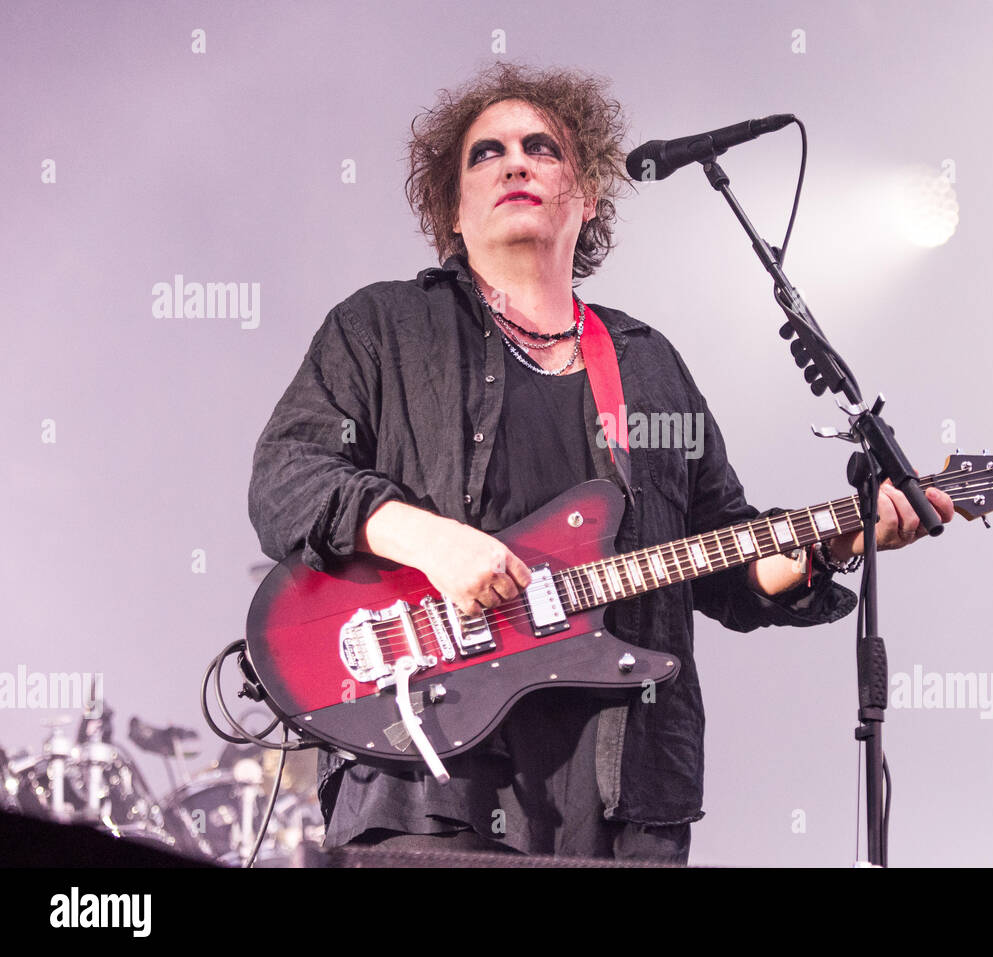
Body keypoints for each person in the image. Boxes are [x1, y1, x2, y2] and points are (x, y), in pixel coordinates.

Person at [247, 62, 954, 865]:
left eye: (541, 148)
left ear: (584, 198)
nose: (515, 162)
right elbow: (284, 477)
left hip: (624, 803)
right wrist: (432, 542)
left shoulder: (648, 363)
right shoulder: (383, 327)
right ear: (452, 206)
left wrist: (836, 538)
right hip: (427, 783)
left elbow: (724, 558)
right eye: (487, 153)